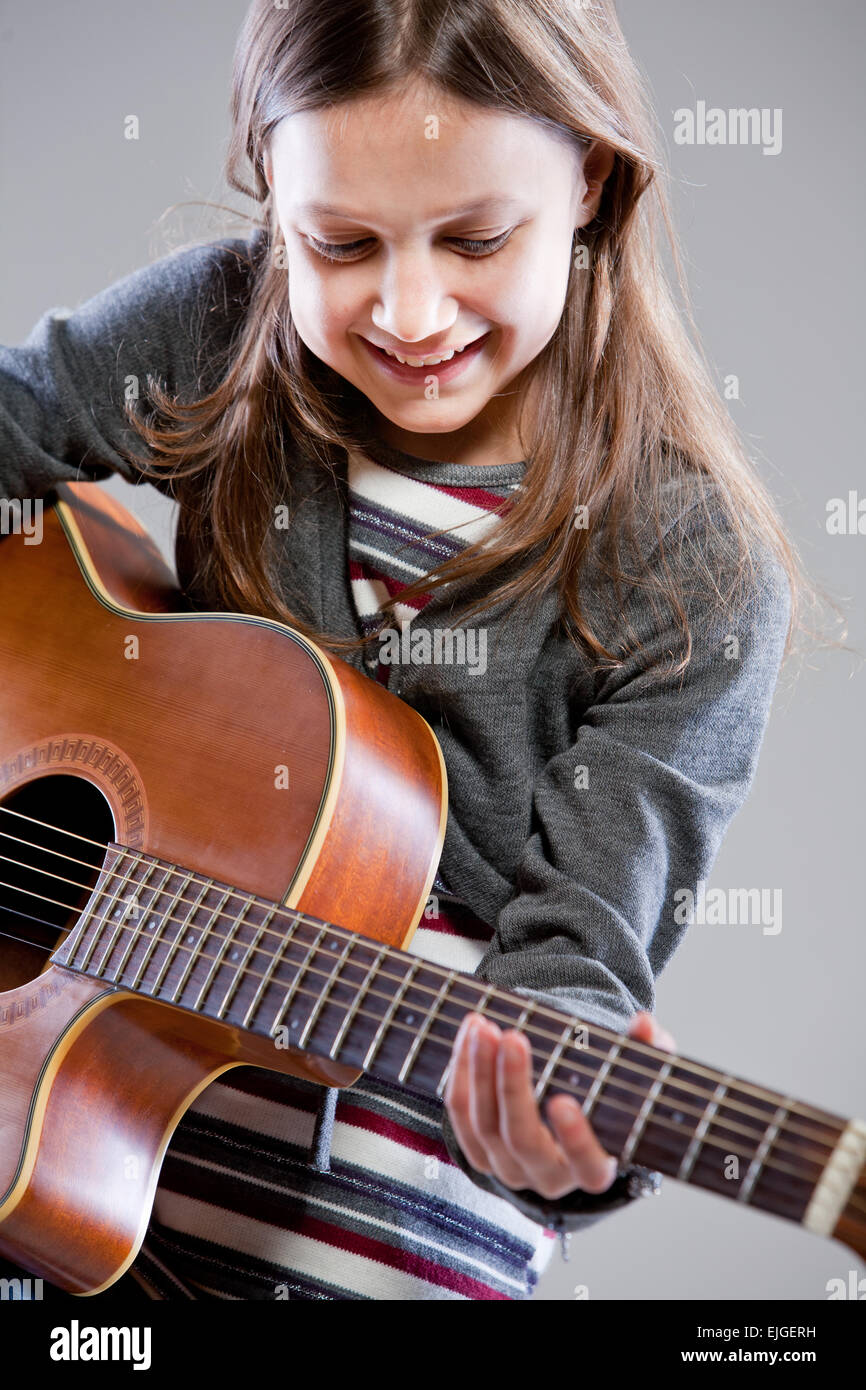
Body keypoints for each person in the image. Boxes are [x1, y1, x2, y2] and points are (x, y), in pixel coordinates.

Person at [0, 0, 805, 1300]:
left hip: (397, 1256)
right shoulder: (223, 337)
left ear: (590, 179)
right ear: (272, 188)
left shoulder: (690, 568)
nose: (411, 308)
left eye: (476, 237)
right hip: (74, 1224)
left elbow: (577, 966)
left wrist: (560, 1129)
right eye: (340, 243)